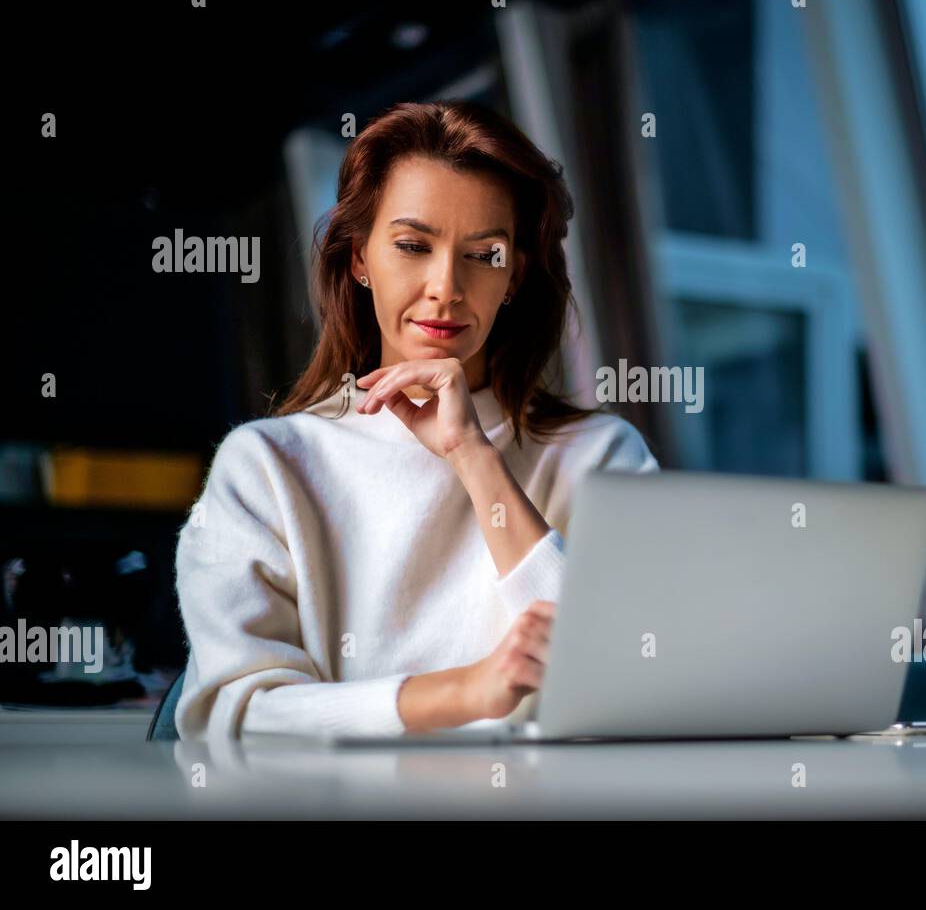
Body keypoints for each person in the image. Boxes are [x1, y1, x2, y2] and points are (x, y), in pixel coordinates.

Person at [174, 100, 658, 740]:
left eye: (484, 254)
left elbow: (633, 677)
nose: (445, 287)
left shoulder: (598, 454)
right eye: (411, 245)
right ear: (358, 259)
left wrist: (472, 454)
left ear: (513, 274)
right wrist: (466, 692)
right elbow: (231, 714)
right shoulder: (266, 466)